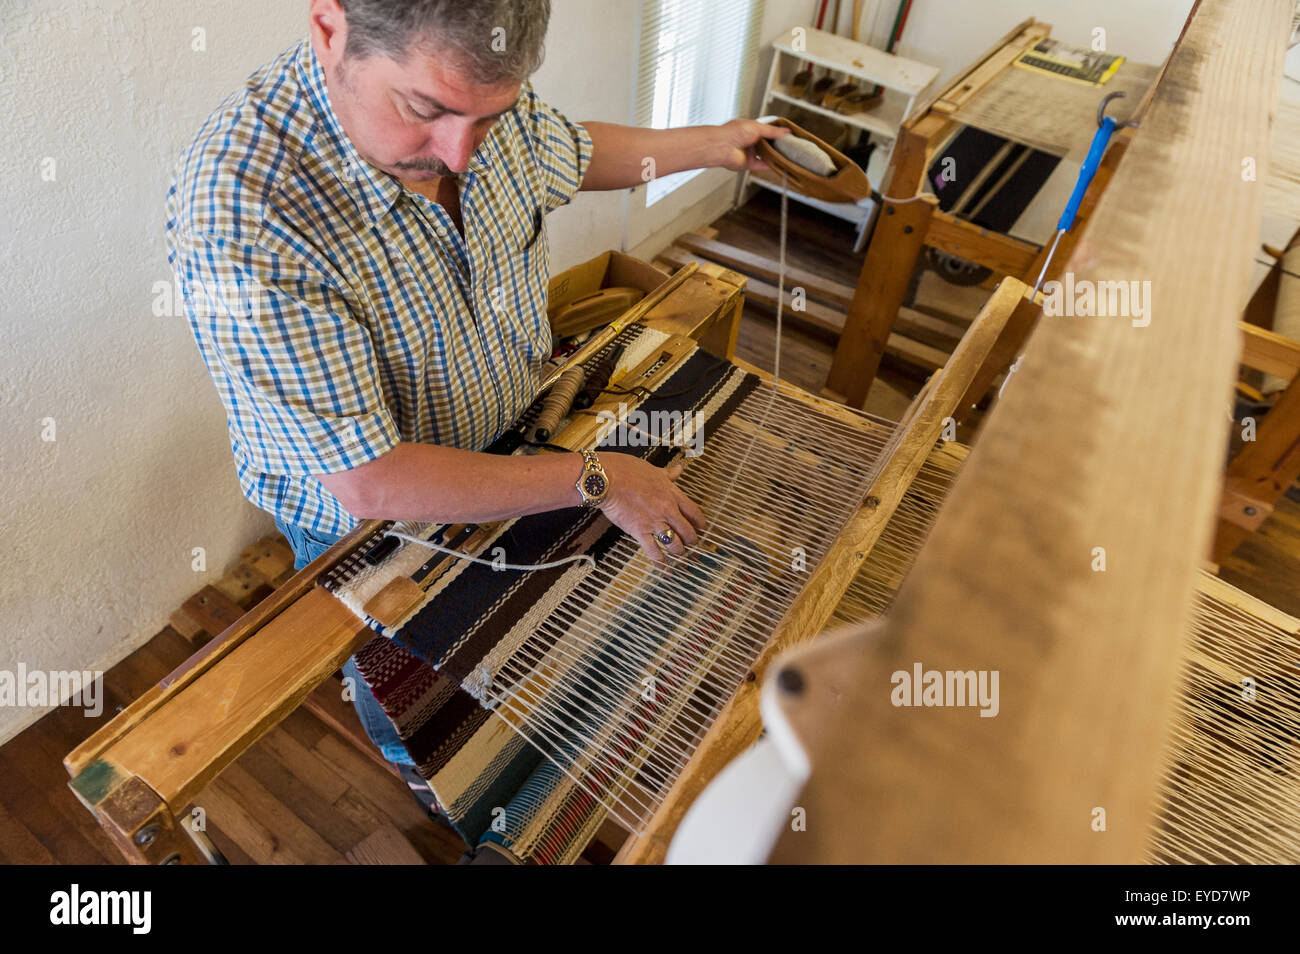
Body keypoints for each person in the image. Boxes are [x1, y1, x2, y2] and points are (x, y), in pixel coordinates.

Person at [165, 0, 787, 773]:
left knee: (546, 670)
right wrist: (597, 478)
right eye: (423, 111)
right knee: (435, 723)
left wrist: (718, 145)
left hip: (522, 438)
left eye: (489, 119)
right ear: (330, 30)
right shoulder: (245, 216)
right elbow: (372, 480)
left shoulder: (479, 100)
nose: (460, 155)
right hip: (376, 533)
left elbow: (568, 152)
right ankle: (430, 779)